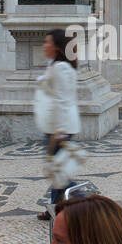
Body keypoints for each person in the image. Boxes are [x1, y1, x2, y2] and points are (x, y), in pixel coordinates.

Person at [34, 28, 82, 221]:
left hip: (59, 127)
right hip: (58, 126)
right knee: (58, 170)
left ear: (56, 47)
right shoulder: (57, 65)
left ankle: (85, 203)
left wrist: (59, 132)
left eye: (47, 42)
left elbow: (63, 99)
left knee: (61, 174)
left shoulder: (60, 68)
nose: (44, 45)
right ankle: (54, 208)